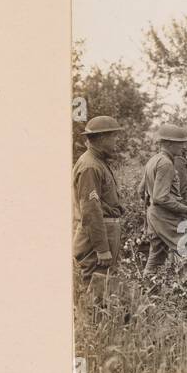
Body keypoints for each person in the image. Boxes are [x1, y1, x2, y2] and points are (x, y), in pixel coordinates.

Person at [71, 115, 126, 301]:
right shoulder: (90, 166)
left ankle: (100, 324)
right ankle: (92, 328)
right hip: (96, 236)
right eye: (113, 137)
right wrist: (102, 248)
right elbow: (91, 212)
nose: (116, 141)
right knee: (94, 286)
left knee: (104, 284)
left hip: (105, 232)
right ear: (102, 139)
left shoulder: (98, 162)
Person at [141, 124, 187, 274]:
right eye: (180, 143)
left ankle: (145, 290)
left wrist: (149, 214)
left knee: (157, 256)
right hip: (165, 216)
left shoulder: (153, 160)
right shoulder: (166, 163)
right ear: (168, 143)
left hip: (154, 215)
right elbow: (160, 197)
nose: (184, 146)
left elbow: (141, 191)